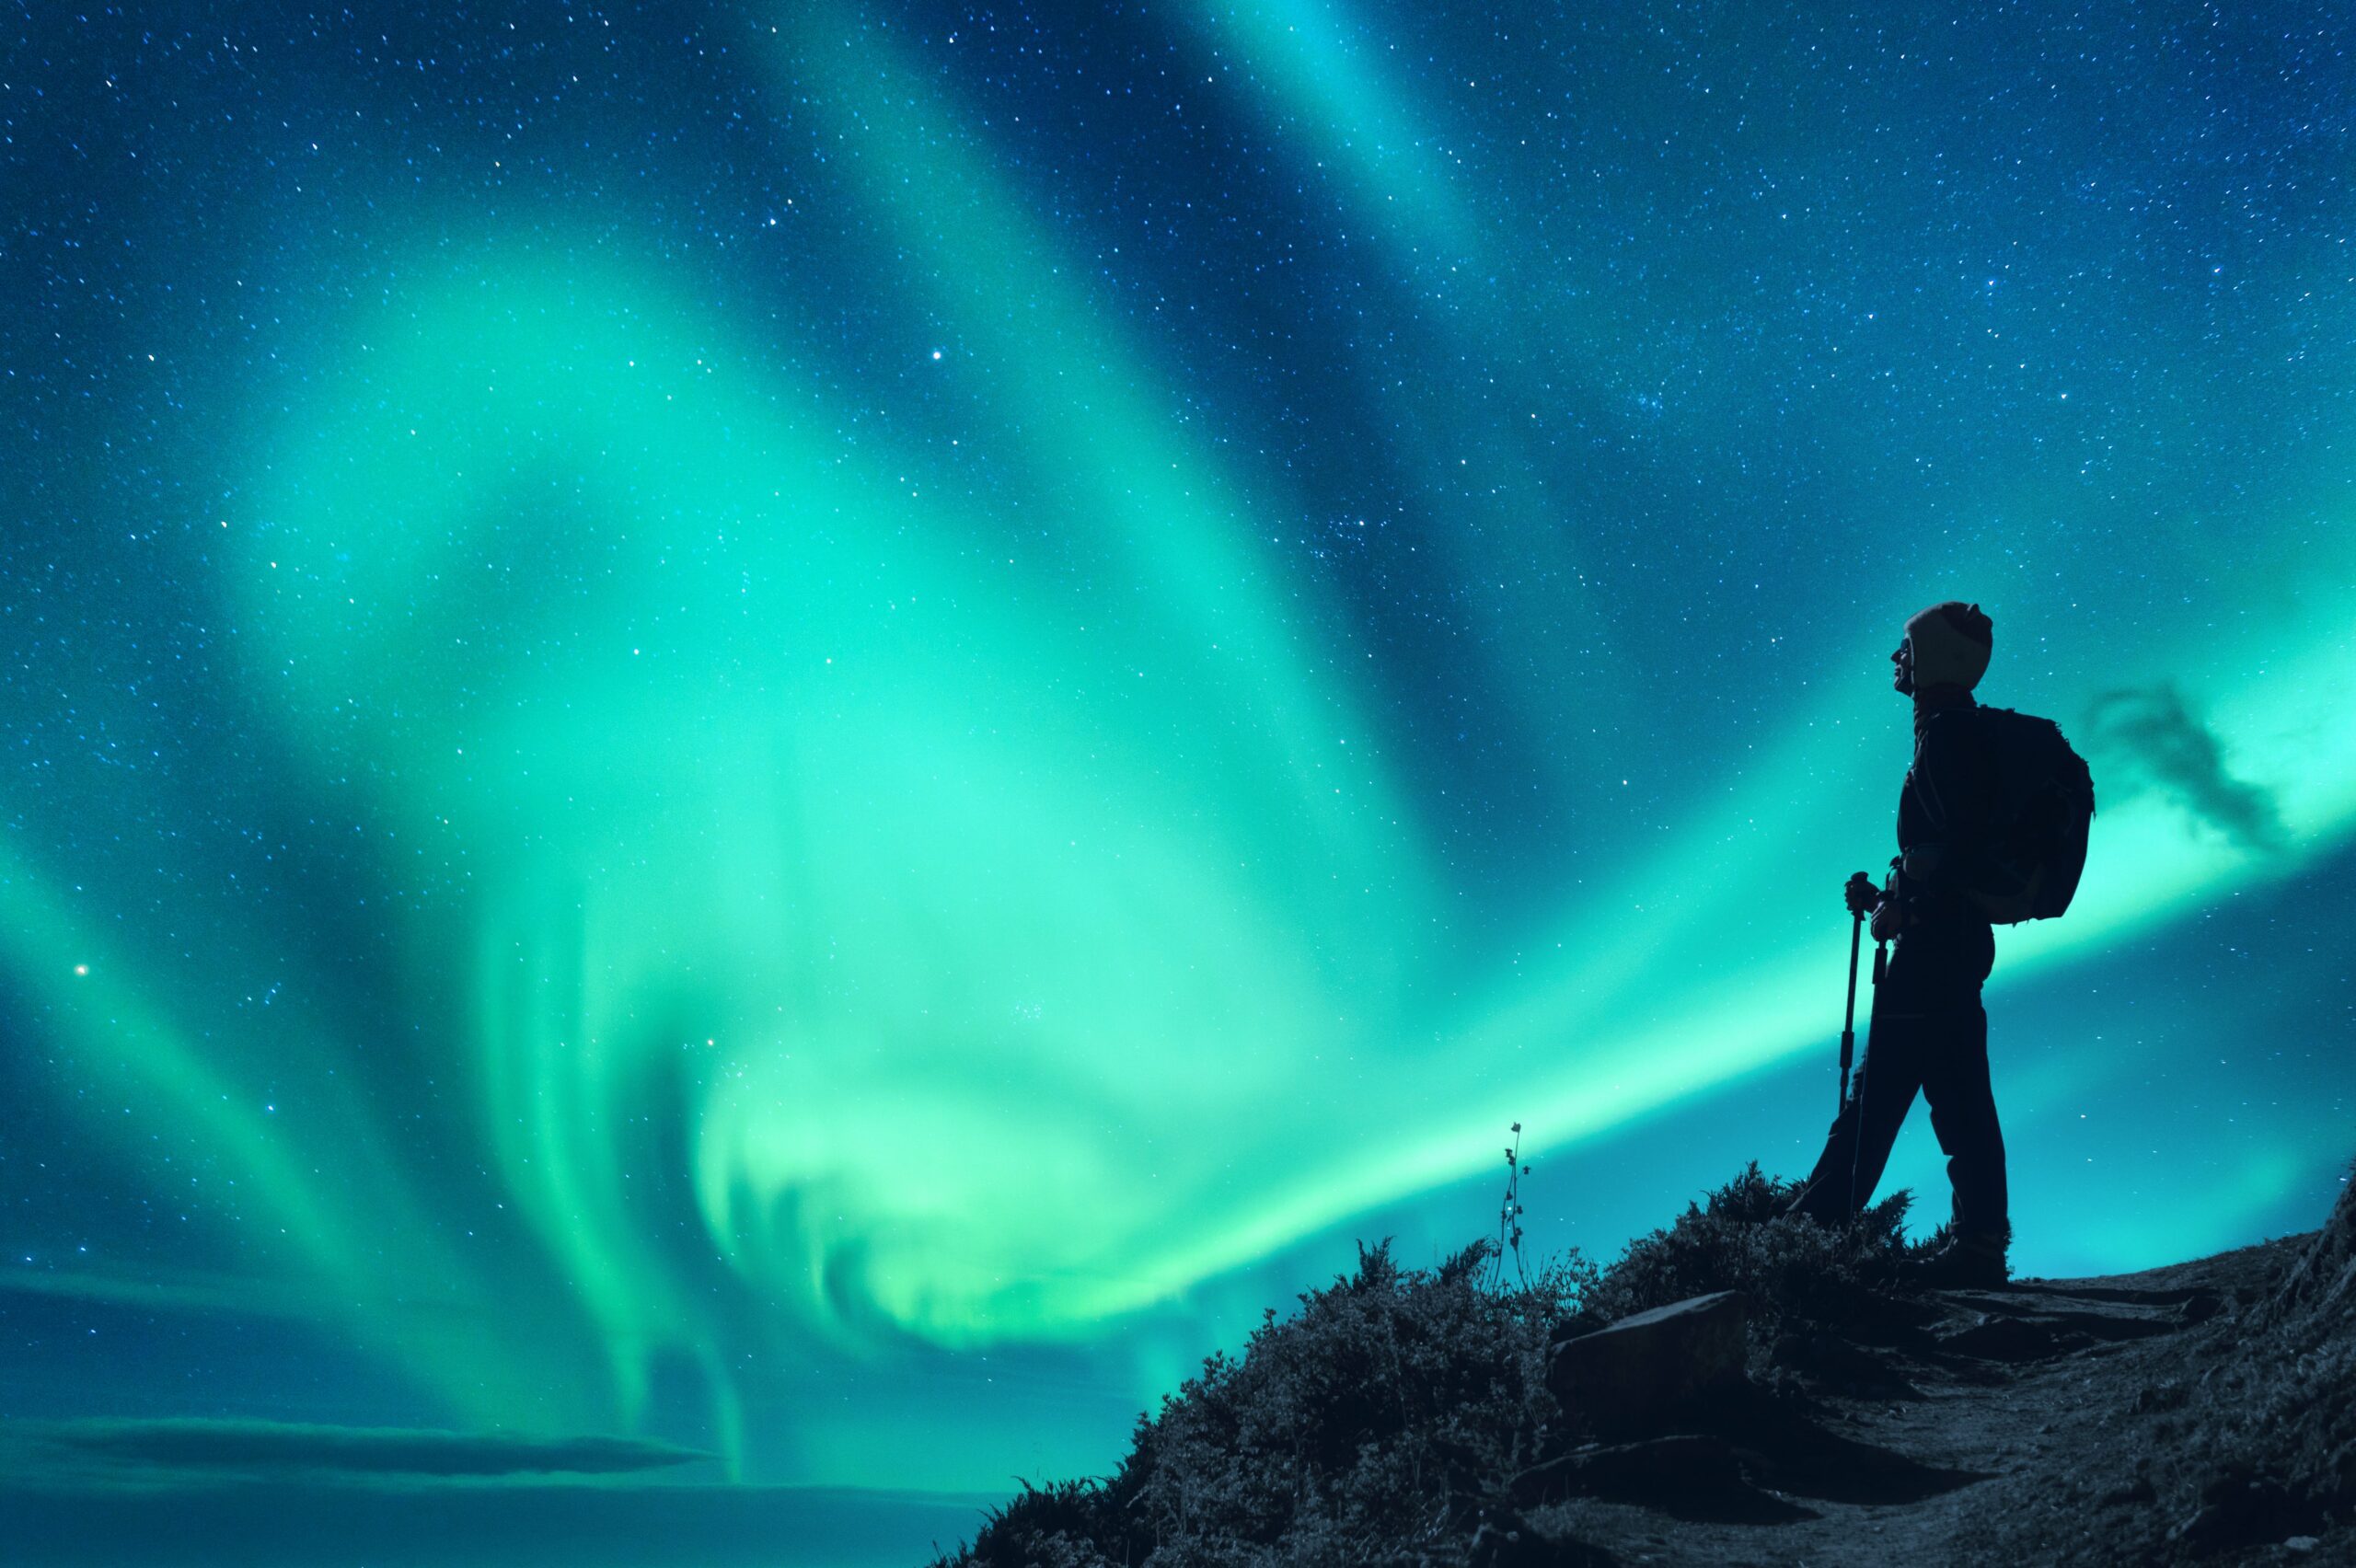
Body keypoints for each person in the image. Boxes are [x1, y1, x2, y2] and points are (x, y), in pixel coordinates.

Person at [1785, 600, 2010, 1288]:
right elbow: (1952, 863)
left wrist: (1892, 913)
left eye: (1906, 648)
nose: (1896, 660)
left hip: (1929, 959)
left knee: (1873, 1104)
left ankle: (1800, 1248)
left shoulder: (1942, 740)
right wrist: (1888, 901)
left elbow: (1942, 863)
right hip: (1961, 951)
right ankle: (1979, 1245)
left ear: (1934, 657)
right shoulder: (1964, 737)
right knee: (1963, 1100)